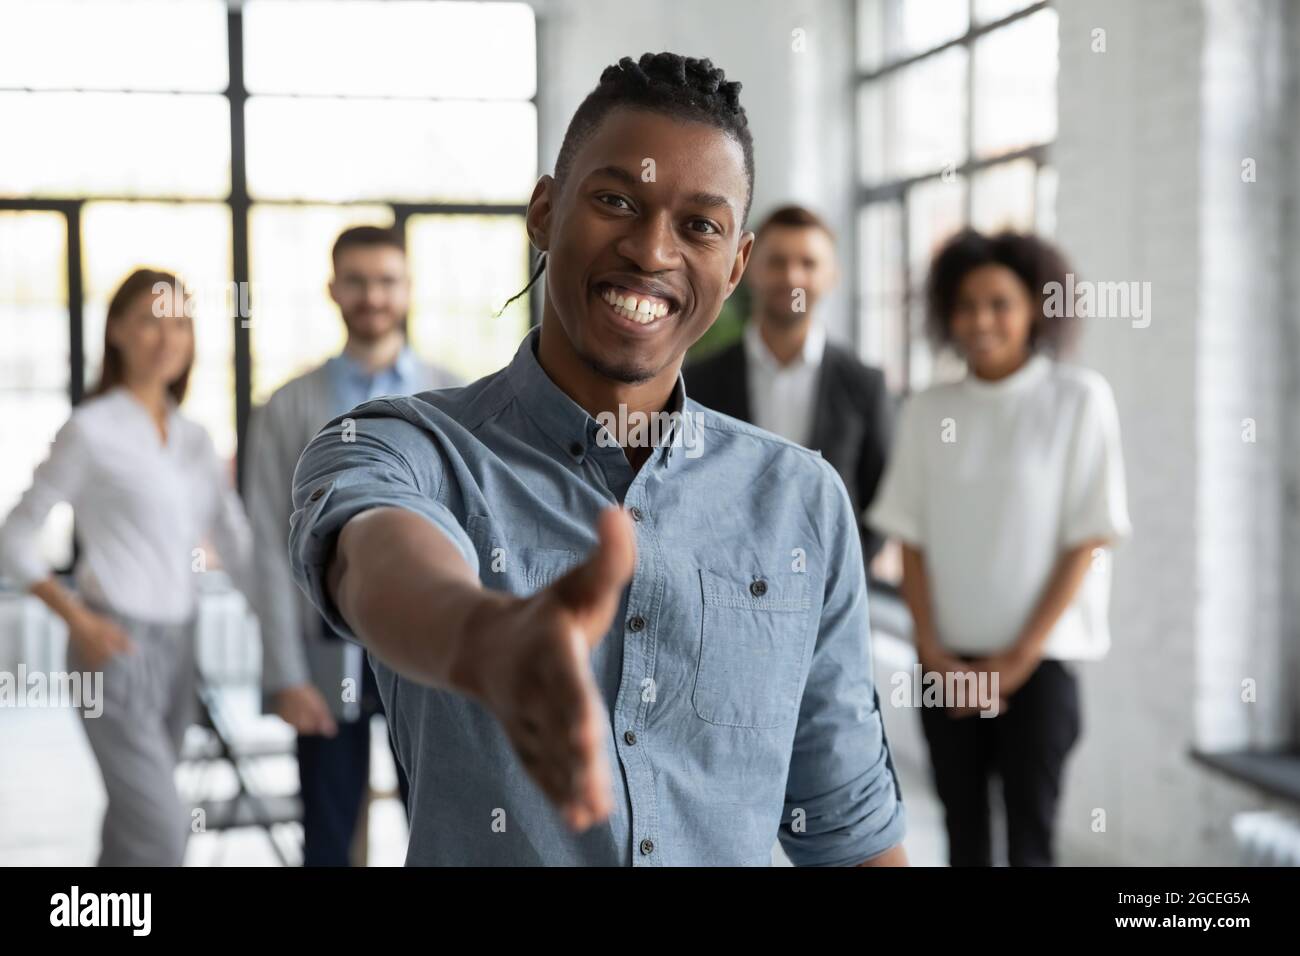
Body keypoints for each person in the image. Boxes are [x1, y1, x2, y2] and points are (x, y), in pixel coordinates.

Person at [284, 52, 906, 867]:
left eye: (699, 225)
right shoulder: (405, 445)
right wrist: (483, 638)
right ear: (545, 211)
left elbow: (846, 825)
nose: (651, 250)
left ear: (738, 266)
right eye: (616, 200)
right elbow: (376, 557)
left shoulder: (802, 500)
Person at [869, 229, 1132, 866]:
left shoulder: (1077, 399)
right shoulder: (929, 410)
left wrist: (1014, 660)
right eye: (965, 305)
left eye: (999, 303)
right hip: (946, 668)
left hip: (1038, 673)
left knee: (1030, 842)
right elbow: (912, 540)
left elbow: (1088, 539)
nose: (979, 320)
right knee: (963, 837)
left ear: (1036, 307)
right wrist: (932, 653)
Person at [0, 268, 254, 866]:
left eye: (181, 323)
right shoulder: (90, 430)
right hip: (111, 646)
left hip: (181, 646)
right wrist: (78, 620)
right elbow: (15, 536)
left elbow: (235, 544)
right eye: (150, 320)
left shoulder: (194, 437)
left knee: (132, 828)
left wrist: (291, 622)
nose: (168, 337)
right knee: (164, 830)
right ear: (116, 330)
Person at [244, 225, 460, 866]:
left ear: (408, 289)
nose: (373, 296)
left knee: (441, 821)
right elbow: (263, 539)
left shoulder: (453, 396)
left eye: (387, 280)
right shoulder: (288, 406)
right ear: (334, 289)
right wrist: (283, 671)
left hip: (425, 649)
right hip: (325, 649)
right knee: (330, 831)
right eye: (358, 281)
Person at [686, 204, 894, 562]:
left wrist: (837, 576)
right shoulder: (698, 381)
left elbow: (880, 505)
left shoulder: (864, 386)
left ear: (832, 275)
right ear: (748, 267)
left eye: (808, 263)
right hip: (720, 585)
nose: (792, 277)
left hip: (826, 596)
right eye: (777, 261)